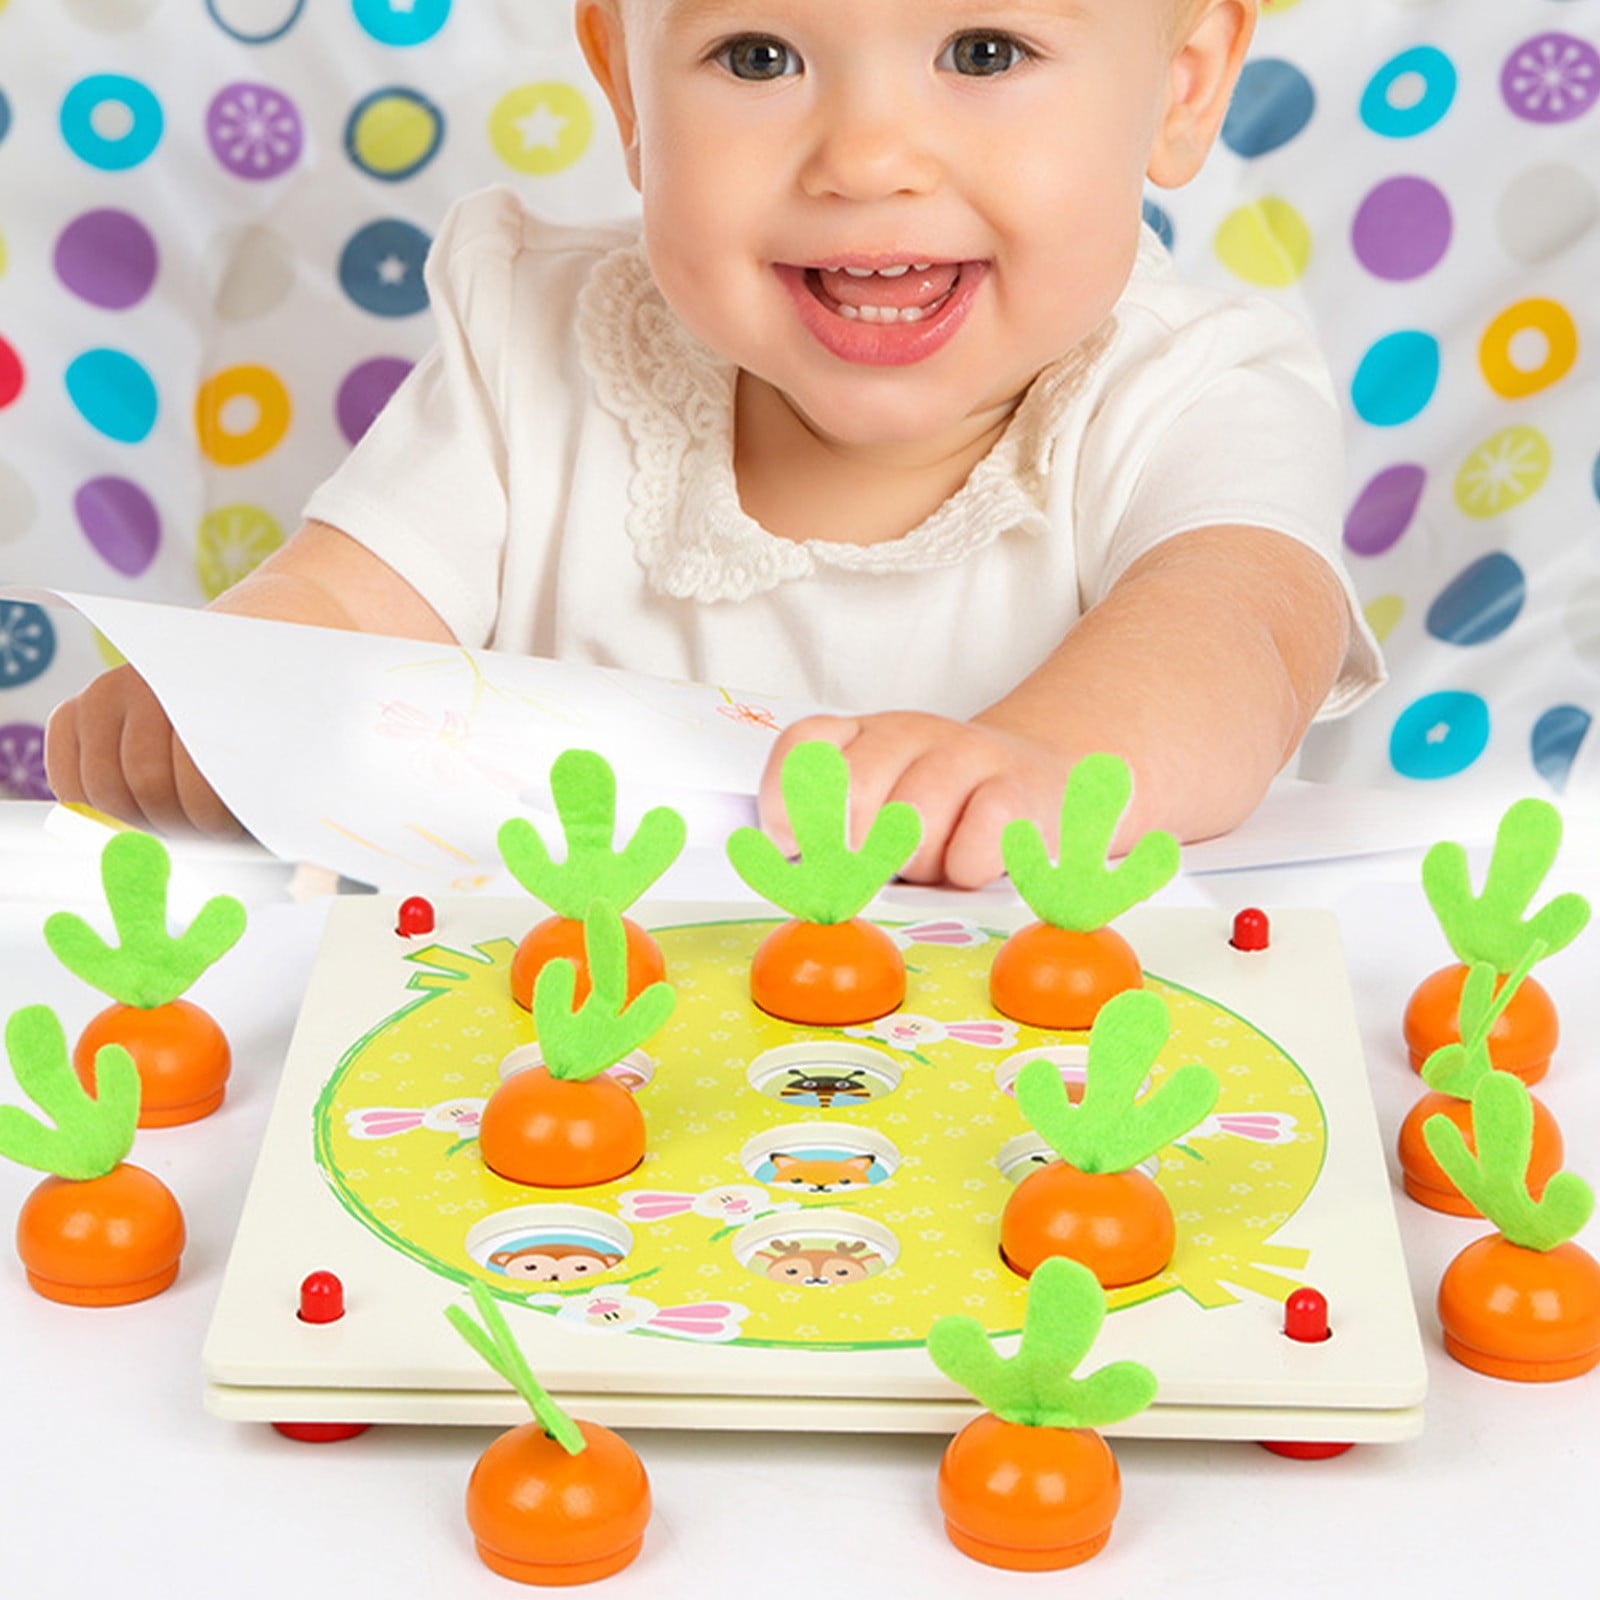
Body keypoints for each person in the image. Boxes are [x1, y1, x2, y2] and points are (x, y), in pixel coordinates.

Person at [46, 0, 1381, 888]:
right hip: (575, 1072)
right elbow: (344, 602)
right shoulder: (536, 345)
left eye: (983, 52)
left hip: (1034, 1092)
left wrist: (1046, 765)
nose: (866, 158)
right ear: (626, 90)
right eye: (757, 56)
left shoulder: (1196, 389)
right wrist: (228, 695)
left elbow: (1243, 635)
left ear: (1182, 85)